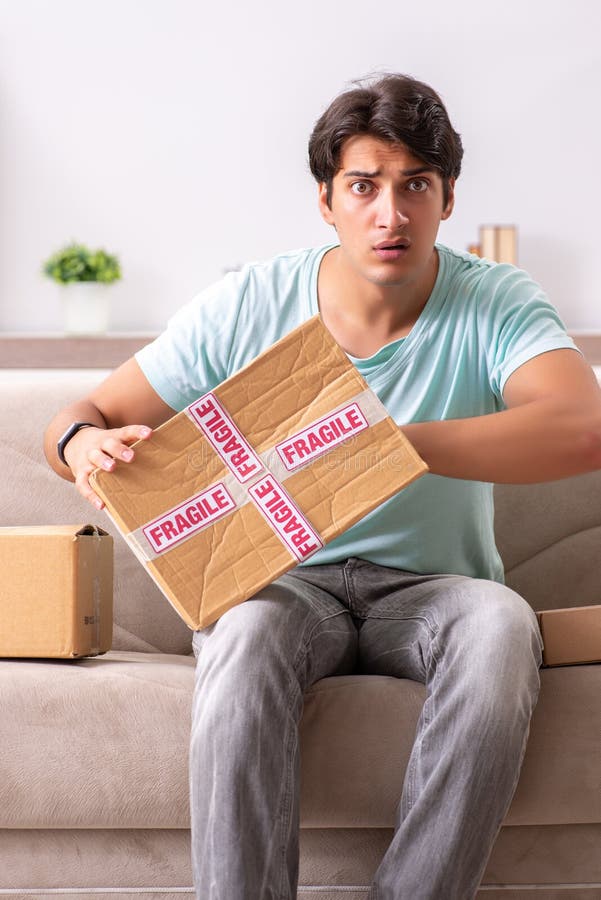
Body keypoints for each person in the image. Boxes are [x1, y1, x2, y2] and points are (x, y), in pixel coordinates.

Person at [44, 73, 601, 900]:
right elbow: (79, 418)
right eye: (364, 186)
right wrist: (84, 444)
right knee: (240, 637)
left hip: (436, 589)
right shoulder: (250, 301)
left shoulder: (495, 300)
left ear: (447, 200)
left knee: (501, 625)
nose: (390, 214)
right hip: (285, 583)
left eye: (416, 185)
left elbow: (581, 428)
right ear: (326, 200)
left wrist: (381, 446)